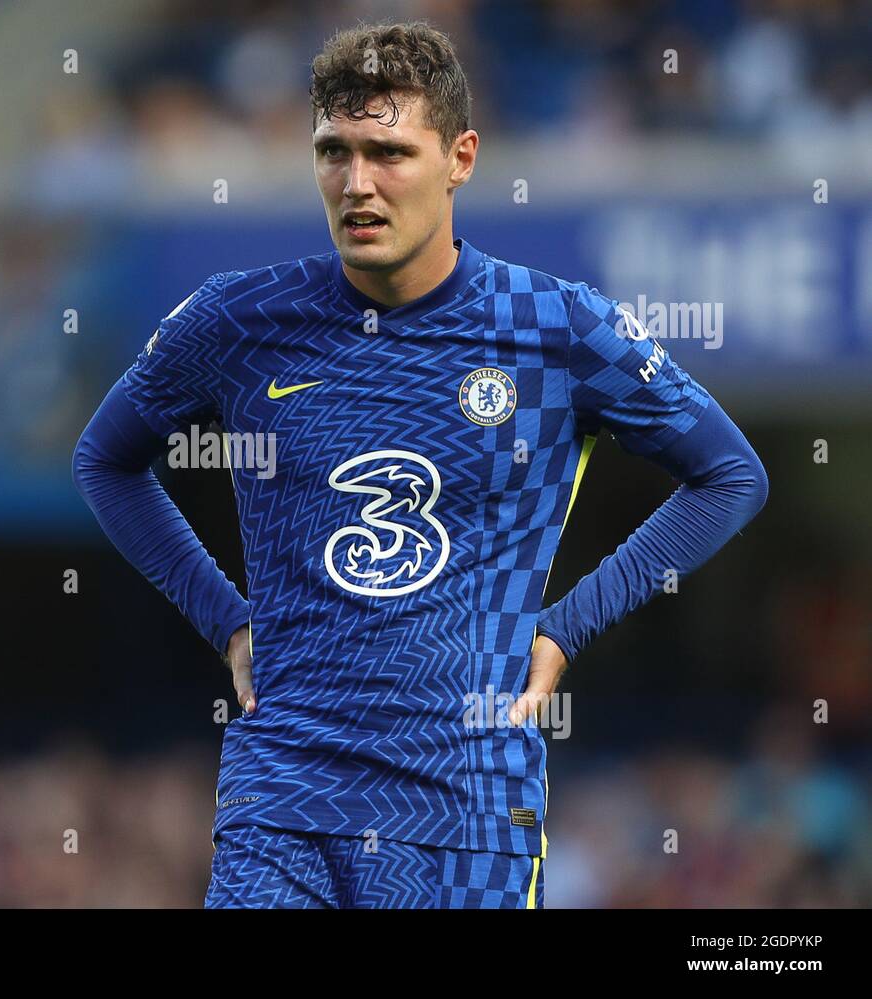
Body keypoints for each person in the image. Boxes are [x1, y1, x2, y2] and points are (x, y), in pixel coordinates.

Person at [72, 20, 767, 908]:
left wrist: (567, 628)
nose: (357, 183)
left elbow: (730, 475)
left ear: (461, 157)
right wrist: (225, 618)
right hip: (282, 800)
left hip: (465, 812)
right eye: (335, 151)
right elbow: (107, 459)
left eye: (389, 152)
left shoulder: (556, 328)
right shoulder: (238, 322)